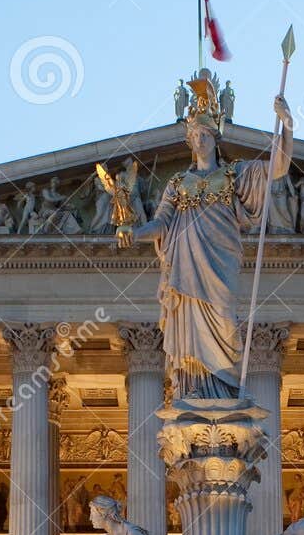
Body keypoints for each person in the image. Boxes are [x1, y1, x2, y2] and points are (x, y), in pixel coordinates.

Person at [120, 79, 294, 400]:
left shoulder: (234, 175)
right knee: (189, 337)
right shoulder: (177, 183)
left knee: (226, 322)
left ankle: (223, 394)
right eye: (194, 136)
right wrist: (136, 232)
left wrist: (286, 125)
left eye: (204, 135)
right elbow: (161, 222)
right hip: (186, 273)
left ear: (215, 138)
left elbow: (279, 167)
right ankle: (194, 392)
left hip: (221, 267)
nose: (199, 140)